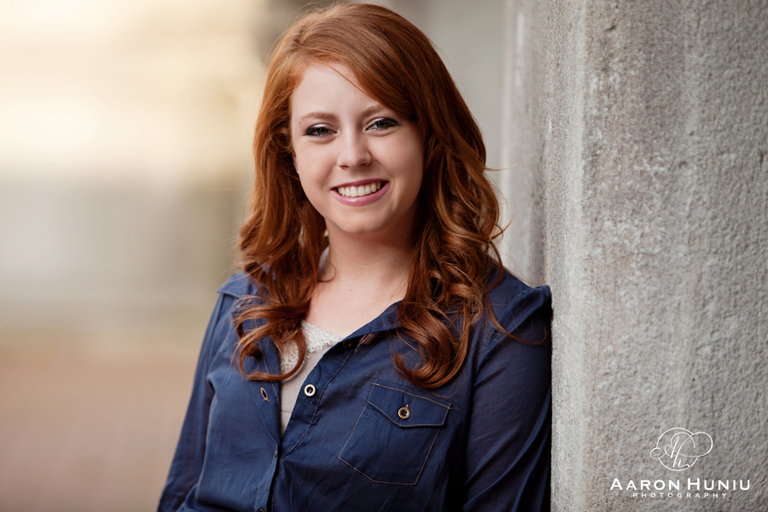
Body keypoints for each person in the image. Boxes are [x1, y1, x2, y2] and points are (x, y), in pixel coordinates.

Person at [158, 3, 551, 511]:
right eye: (320, 130)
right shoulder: (245, 303)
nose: (352, 155)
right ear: (290, 153)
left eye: (381, 122)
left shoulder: (499, 332)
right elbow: (182, 494)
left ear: (429, 135)